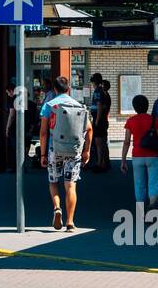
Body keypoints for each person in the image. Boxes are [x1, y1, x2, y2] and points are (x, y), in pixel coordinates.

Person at [38, 75, 91, 231]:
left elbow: (43, 132)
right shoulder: (79, 106)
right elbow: (89, 129)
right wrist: (86, 151)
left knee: (53, 181)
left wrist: (42, 155)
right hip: (73, 151)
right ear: (69, 89)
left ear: (54, 89)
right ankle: (70, 222)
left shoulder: (49, 105)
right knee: (71, 185)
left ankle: (57, 208)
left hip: (54, 149)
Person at [120, 94, 158, 206]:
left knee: (139, 184)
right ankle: (152, 204)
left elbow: (126, 142)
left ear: (134, 107)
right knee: (154, 184)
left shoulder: (131, 121)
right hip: (154, 156)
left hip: (137, 156)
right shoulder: (155, 120)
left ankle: (141, 212)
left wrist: (123, 160)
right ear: (147, 106)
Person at [91, 78, 112, 172]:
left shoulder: (100, 93)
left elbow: (100, 106)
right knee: (103, 142)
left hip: (100, 121)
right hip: (104, 121)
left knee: (99, 143)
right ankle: (105, 162)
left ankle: (100, 163)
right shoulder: (106, 95)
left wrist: (97, 120)